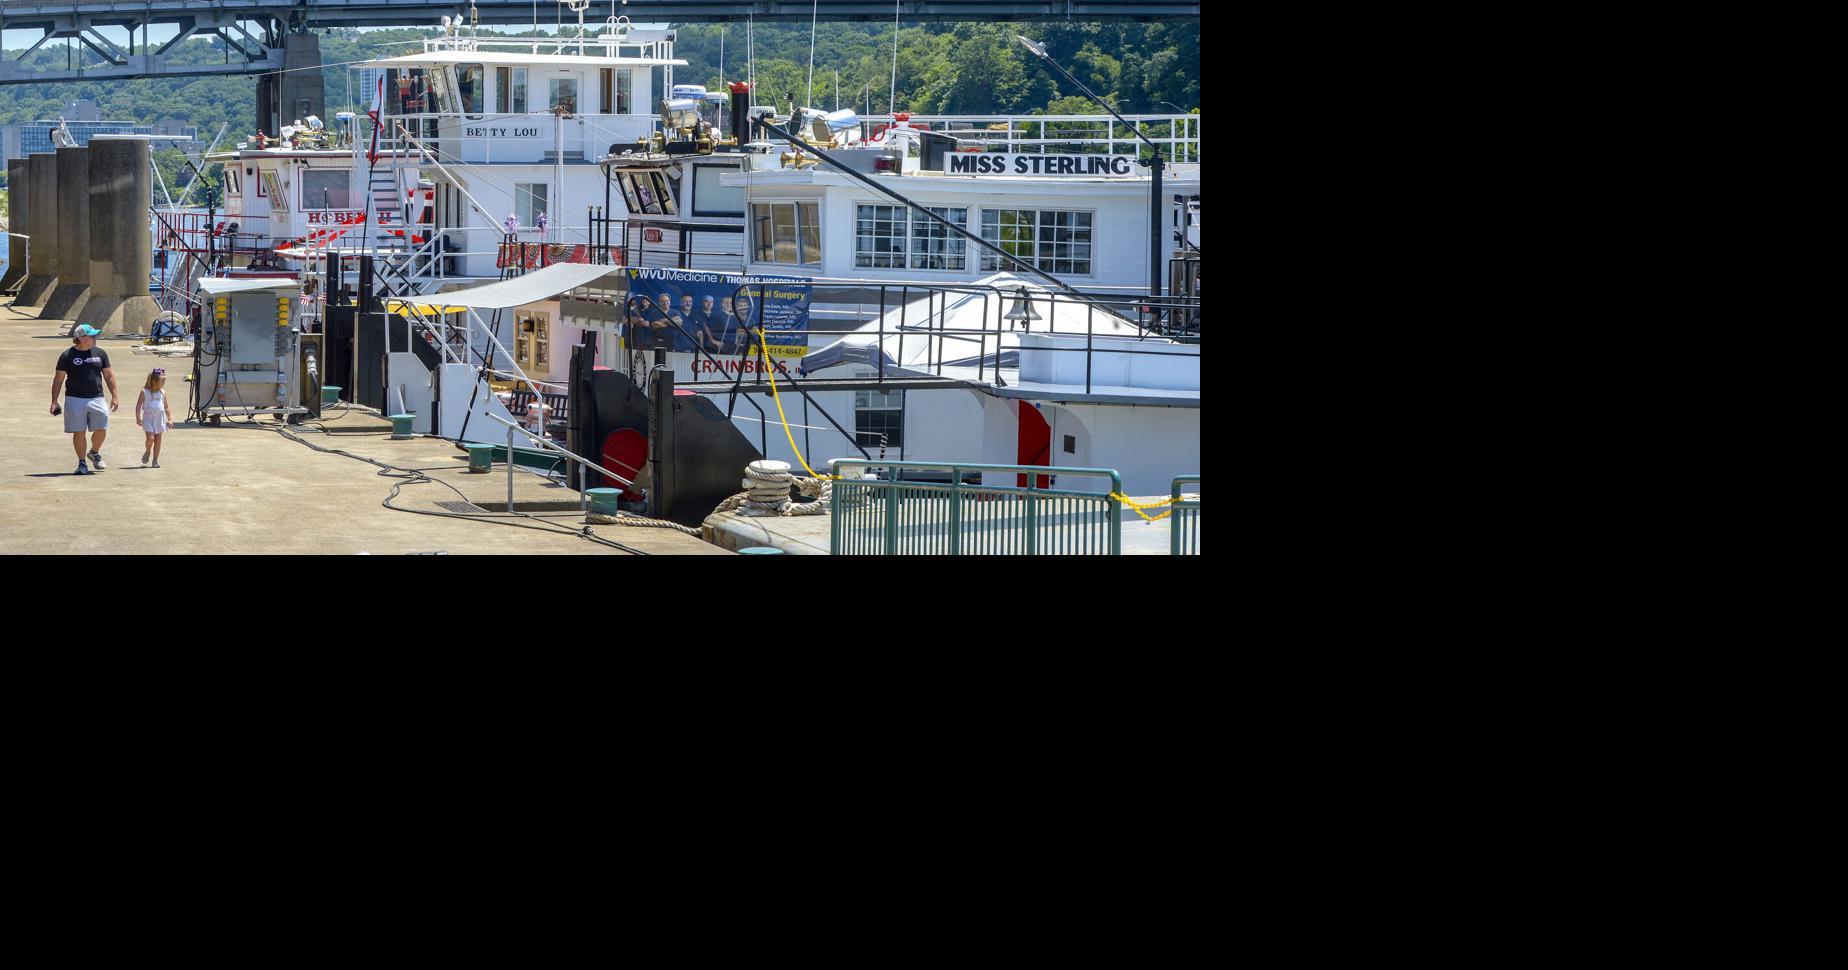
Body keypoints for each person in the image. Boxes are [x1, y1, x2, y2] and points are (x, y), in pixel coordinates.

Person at [51, 325, 119, 475]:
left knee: (102, 427)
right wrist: (54, 401)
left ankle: (94, 452)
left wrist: (114, 395)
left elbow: (109, 376)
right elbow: (58, 379)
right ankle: (82, 463)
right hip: (74, 398)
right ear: (81, 338)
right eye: (92, 336)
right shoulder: (66, 356)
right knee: (79, 431)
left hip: (97, 397)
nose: (95, 338)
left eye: (95, 335)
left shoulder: (100, 353)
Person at [137, 368, 174, 467]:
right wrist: (138, 418)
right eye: (162, 381)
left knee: (158, 440)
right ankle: (148, 450)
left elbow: (166, 407)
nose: (164, 383)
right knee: (150, 438)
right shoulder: (144, 392)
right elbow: (138, 405)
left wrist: (170, 418)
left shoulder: (162, 392)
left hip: (159, 419)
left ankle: (155, 460)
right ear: (154, 381)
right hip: (148, 419)